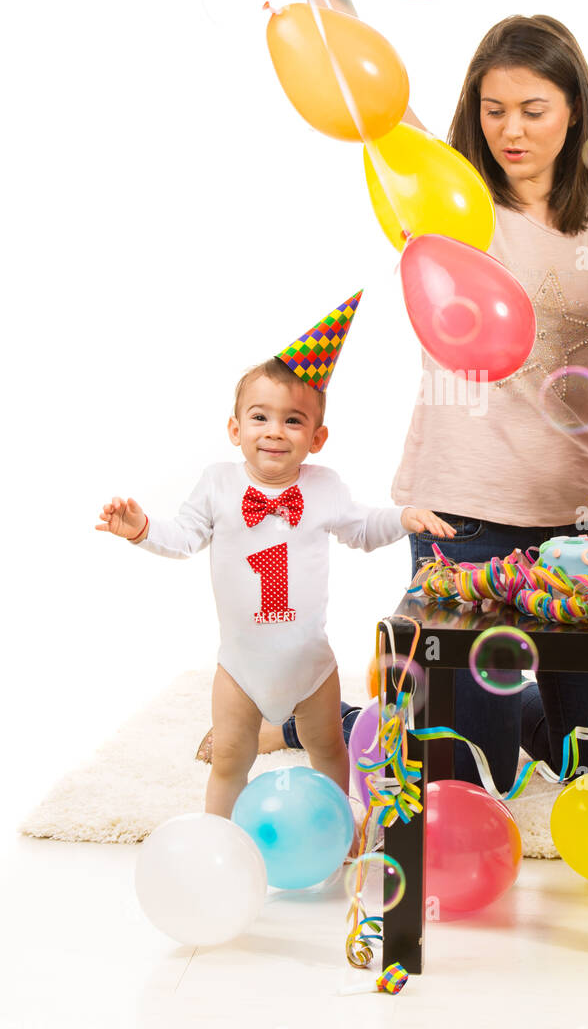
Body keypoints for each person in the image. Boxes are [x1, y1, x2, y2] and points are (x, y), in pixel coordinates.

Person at [248, 0, 588, 792]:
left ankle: (398, 708)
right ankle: (328, 716)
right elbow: (354, 75)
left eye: (532, 108)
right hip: (462, 517)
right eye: (492, 109)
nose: (510, 129)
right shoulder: (444, 207)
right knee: (462, 767)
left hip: (577, 526)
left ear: (574, 112)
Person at [95, 303, 453, 820]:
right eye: (259, 417)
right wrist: (143, 530)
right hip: (240, 666)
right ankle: (217, 839)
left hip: (310, 663)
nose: (275, 431)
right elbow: (183, 538)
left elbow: (360, 527)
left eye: (293, 421)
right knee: (229, 760)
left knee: (328, 750)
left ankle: (337, 832)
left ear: (316, 437)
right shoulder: (218, 484)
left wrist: (404, 517)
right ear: (235, 428)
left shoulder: (323, 486)